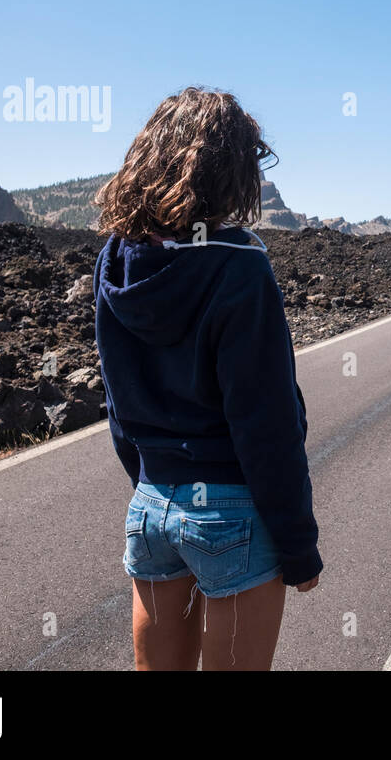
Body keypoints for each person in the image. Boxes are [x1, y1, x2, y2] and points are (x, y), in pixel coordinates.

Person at [92, 86, 321, 670]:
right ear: (230, 171)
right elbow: (265, 421)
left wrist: (154, 487)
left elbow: (117, 401)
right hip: (231, 513)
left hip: (151, 506)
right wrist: (298, 547)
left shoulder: (116, 260)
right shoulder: (239, 264)